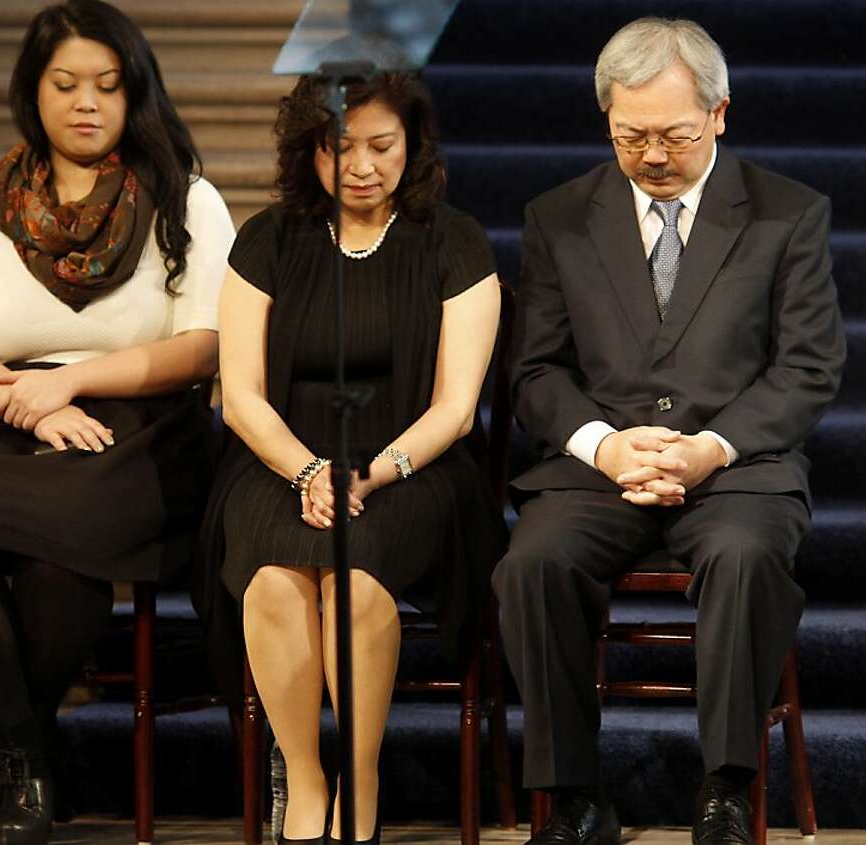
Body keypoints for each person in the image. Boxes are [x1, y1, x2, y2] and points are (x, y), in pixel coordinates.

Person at [492, 17, 845, 845]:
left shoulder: (787, 216)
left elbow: (808, 366)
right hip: (598, 469)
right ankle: (573, 794)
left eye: (674, 135)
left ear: (720, 113)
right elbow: (535, 370)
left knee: (746, 553)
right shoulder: (560, 218)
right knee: (532, 563)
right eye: (630, 136)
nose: (652, 154)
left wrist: (707, 447)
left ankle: (726, 785)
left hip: (735, 465)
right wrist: (606, 446)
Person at [0, 2, 234, 842]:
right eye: (65, 84)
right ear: (33, 91)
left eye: (107, 86)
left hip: (140, 425)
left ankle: (13, 758)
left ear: (134, 95)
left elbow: (203, 347)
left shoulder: (185, 200)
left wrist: (75, 383)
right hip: (3, 412)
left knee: (65, 544)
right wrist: (29, 400)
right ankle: (31, 752)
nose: (86, 102)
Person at [196, 72, 505, 844]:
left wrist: (369, 474)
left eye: (381, 145)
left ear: (412, 145)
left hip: (412, 466)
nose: (362, 164)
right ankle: (305, 777)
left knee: (357, 574)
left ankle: (361, 781)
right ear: (311, 151)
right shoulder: (267, 238)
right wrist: (307, 470)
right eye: (341, 147)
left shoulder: (454, 239)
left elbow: (456, 408)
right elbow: (241, 397)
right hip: (280, 460)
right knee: (271, 577)